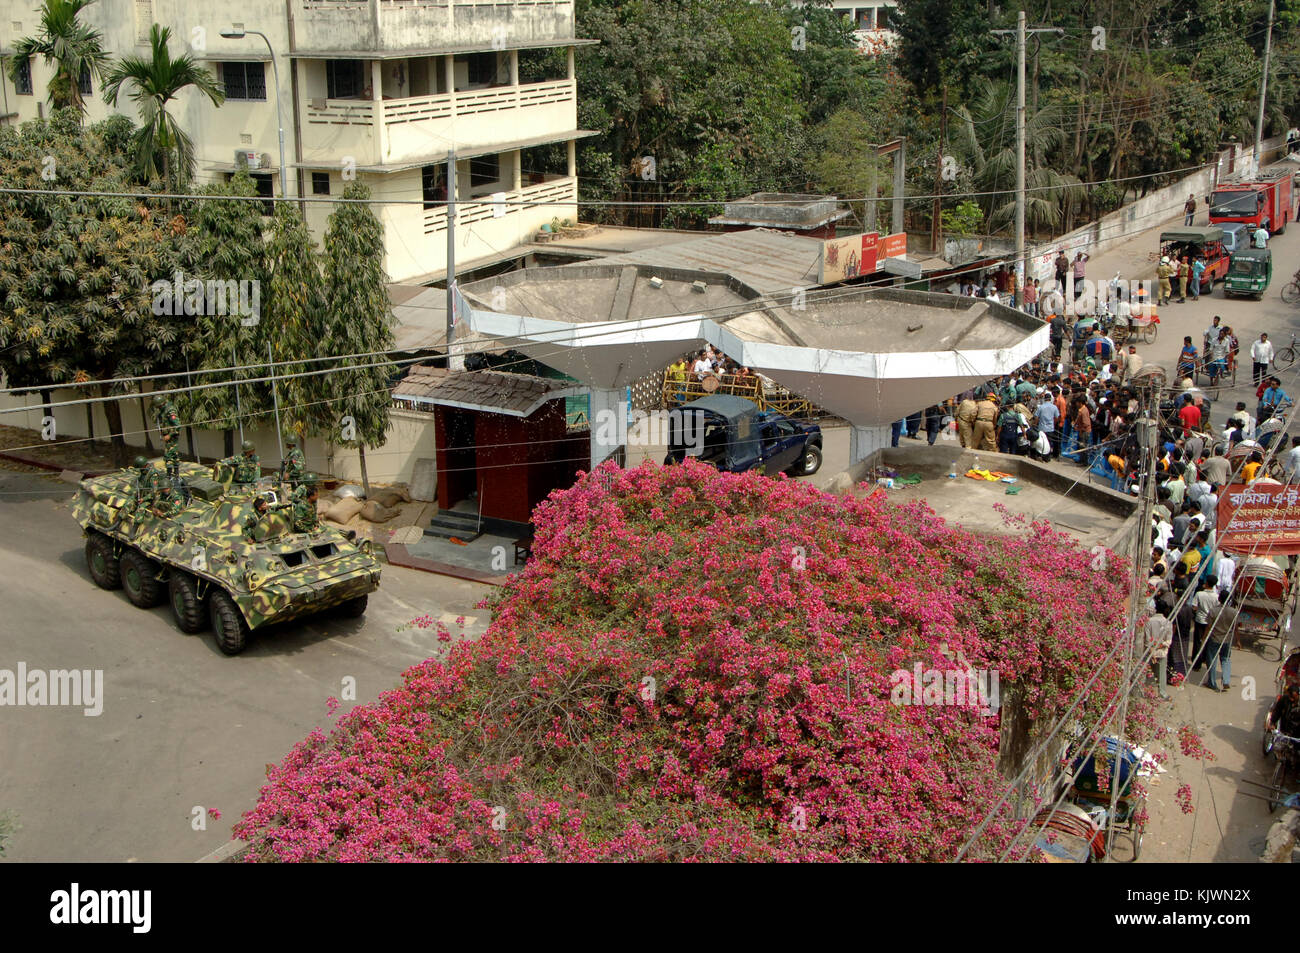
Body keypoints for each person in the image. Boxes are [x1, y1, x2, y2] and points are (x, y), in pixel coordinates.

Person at [1144, 608, 1174, 699]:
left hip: (1149, 651)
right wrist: (1160, 645)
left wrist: (1152, 651)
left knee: (1143, 672)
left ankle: (1140, 691)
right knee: (1161, 673)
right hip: (1162, 652)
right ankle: (1162, 693)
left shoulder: (1148, 622)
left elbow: (1147, 640)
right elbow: (1168, 640)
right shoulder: (1168, 623)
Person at [1035, 393, 1060, 458]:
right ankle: (1047, 455)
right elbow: (1057, 417)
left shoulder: (1041, 407)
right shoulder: (1054, 407)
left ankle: (1041, 454)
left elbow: (1037, 417)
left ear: (1044, 399)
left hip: (1042, 428)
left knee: (1042, 442)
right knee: (1049, 442)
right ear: (1050, 399)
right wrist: (1053, 423)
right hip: (1050, 428)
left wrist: (1035, 424)